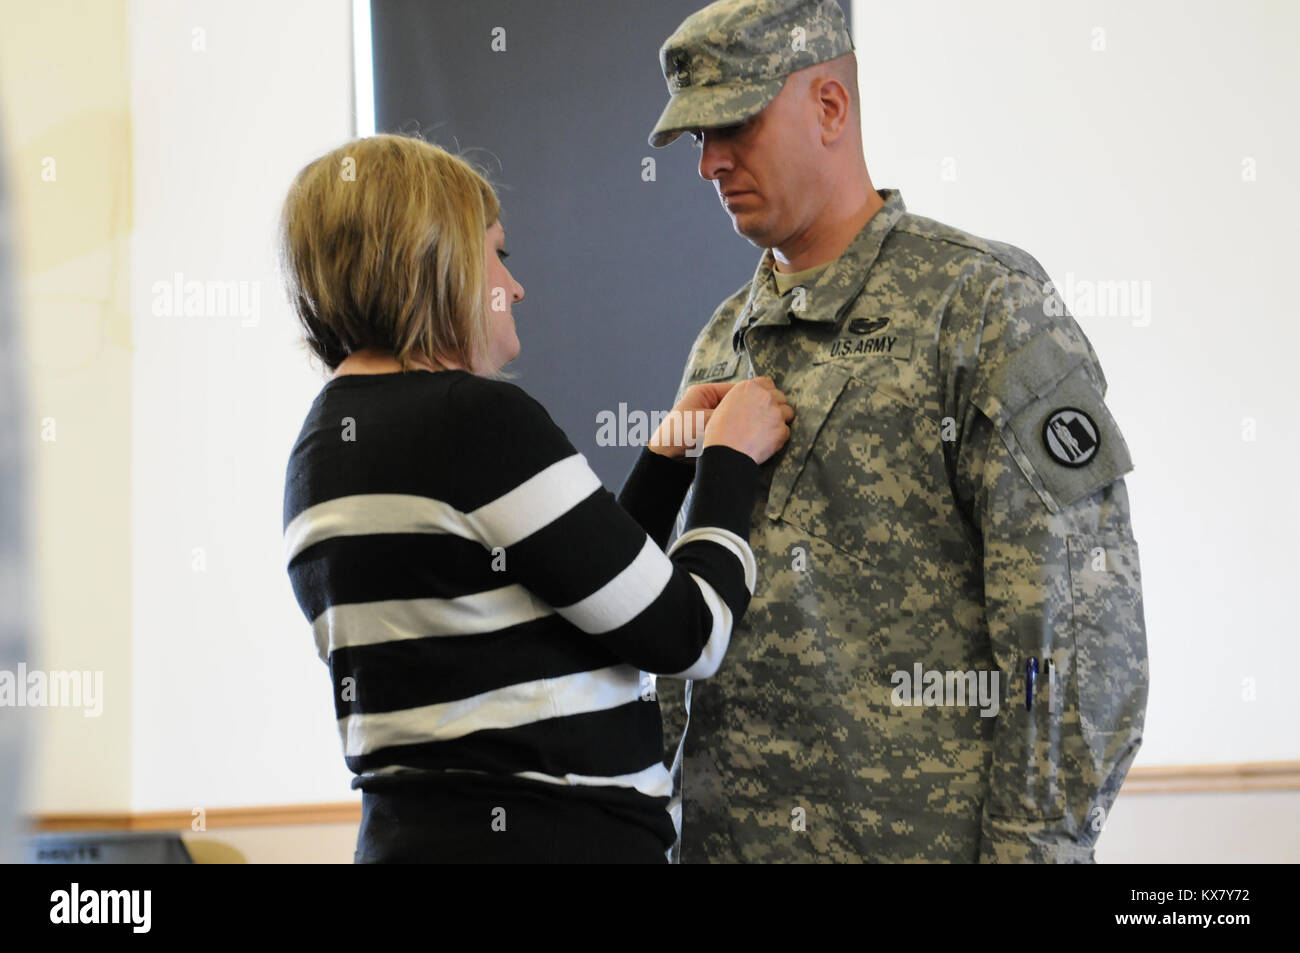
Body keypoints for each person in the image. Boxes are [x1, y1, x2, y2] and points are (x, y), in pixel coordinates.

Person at [647, 0, 1148, 863]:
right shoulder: (722, 339)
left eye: (733, 123)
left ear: (830, 107)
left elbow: (1073, 628)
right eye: (696, 137)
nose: (710, 163)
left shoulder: (981, 305)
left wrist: (1035, 851)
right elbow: (676, 640)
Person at [278, 134, 793, 863]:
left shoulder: (323, 445)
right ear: (437, 259)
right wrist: (731, 463)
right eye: (497, 255)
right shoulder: (472, 419)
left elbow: (567, 599)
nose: (513, 287)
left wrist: (668, 458)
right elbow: (685, 635)